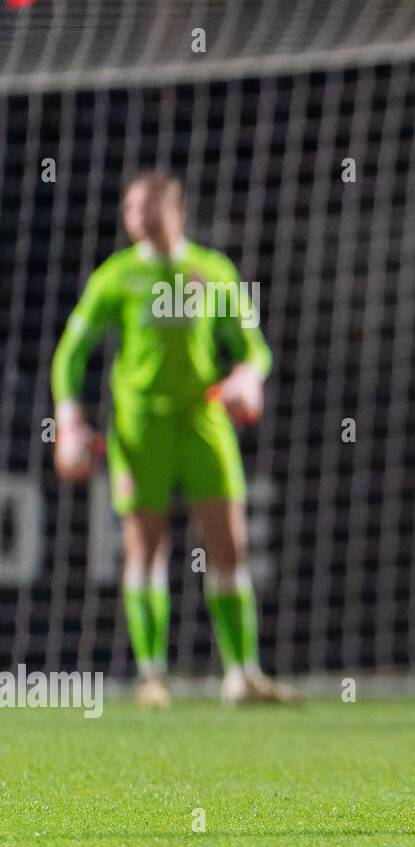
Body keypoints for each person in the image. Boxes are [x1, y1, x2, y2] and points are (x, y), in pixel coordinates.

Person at [51, 170, 296, 707]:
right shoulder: (116, 277)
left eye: (147, 206)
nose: (136, 217)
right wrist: (68, 419)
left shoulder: (213, 270)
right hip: (141, 427)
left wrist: (247, 378)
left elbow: (254, 348)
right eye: (130, 208)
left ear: (174, 207)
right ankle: (153, 676)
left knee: (229, 545)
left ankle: (241, 674)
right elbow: (71, 353)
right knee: (146, 546)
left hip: (203, 420)